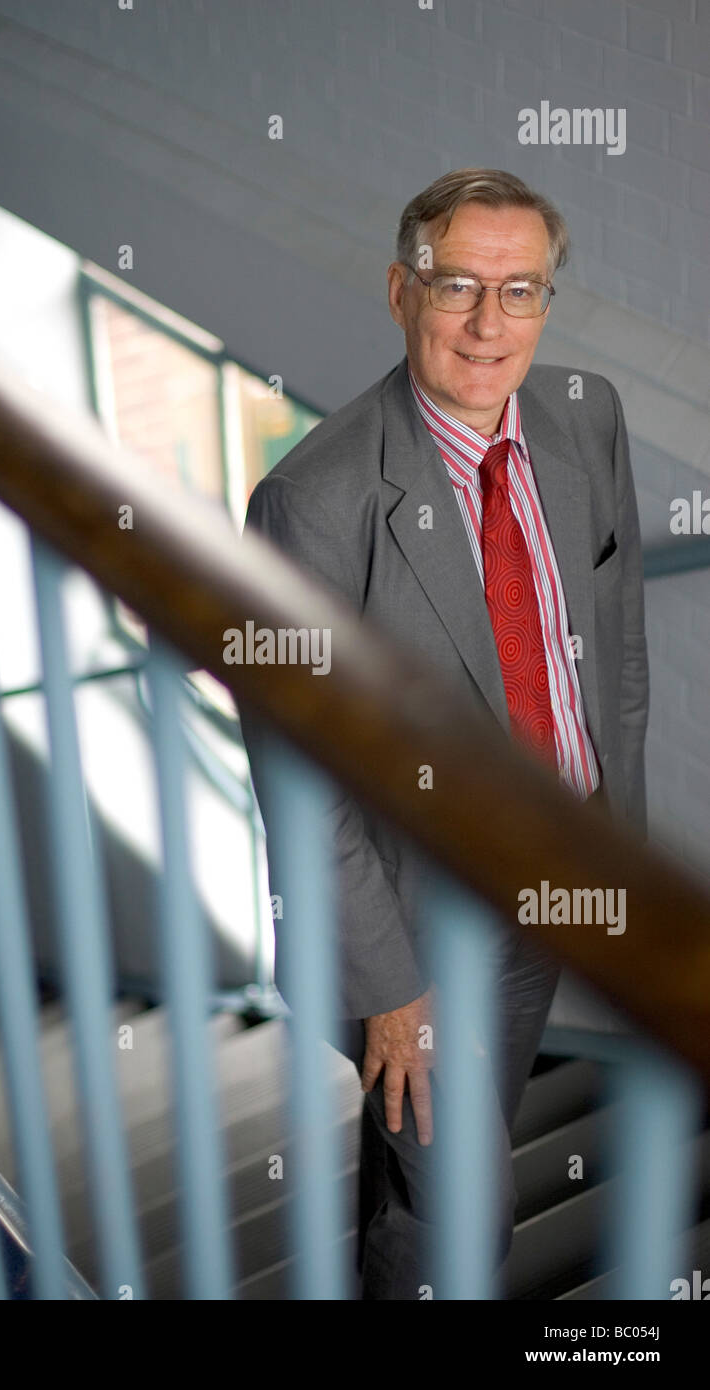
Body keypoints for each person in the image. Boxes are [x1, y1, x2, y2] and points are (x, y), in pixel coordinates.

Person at [239, 168, 649, 1299]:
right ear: (398, 290)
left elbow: (609, 657)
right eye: (456, 283)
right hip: (410, 937)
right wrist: (391, 993)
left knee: (427, 1173)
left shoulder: (584, 413)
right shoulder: (313, 503)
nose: (486, 322)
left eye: (519, 291)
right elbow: (298, 774)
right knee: (464, 1208)